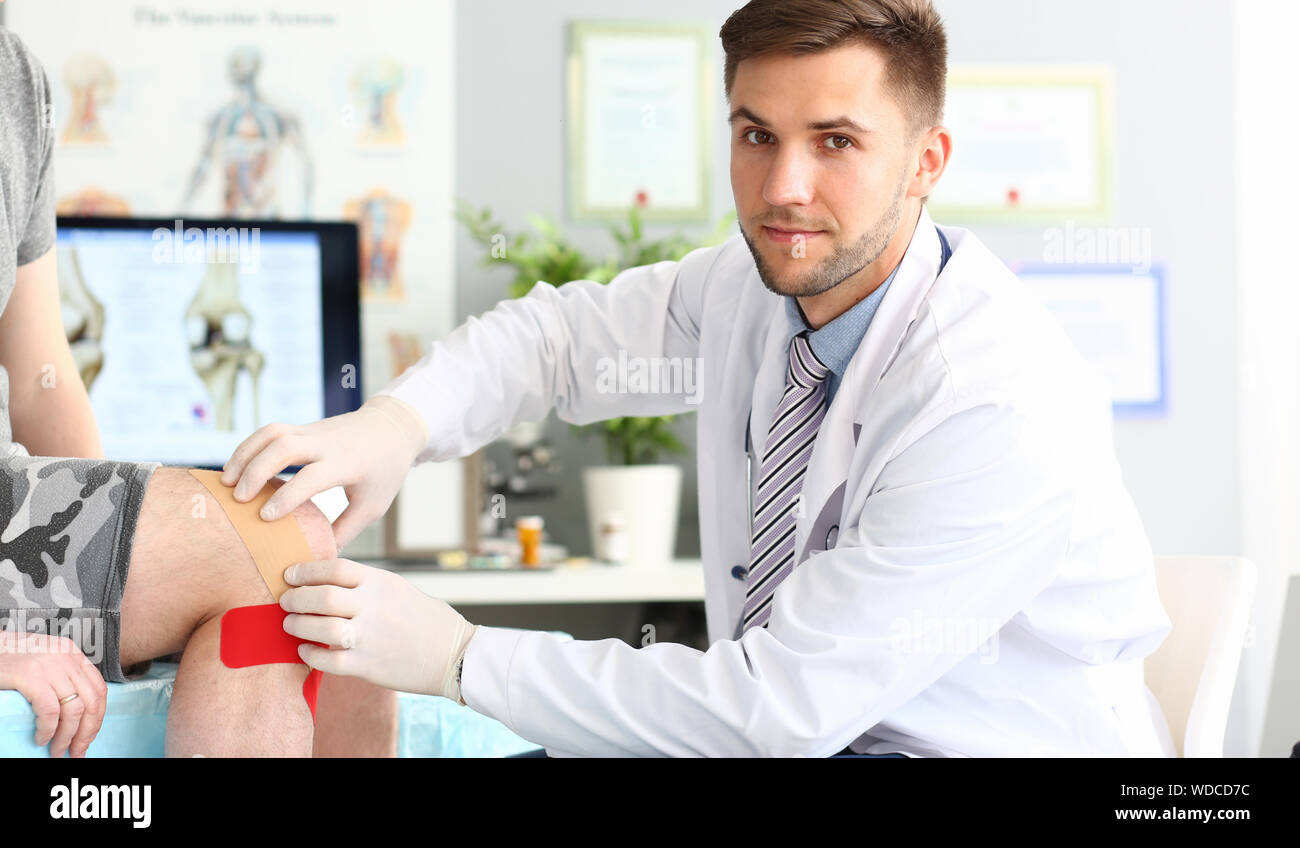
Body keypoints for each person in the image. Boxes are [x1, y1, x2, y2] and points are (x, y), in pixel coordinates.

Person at [224, 0, 1175, 757]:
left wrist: (463, 658)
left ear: (926, 163)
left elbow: (779, 712)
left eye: (835, 141)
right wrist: (396, 423)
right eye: (756, 134)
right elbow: (556, 341)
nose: (783, 187)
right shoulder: (748, 290)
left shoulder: (990, 398)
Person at [0, 25, 396, 758]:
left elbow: (39, 382)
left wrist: (129, 561)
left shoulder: (15, 79)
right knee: (278, 539)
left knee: (346, 627)